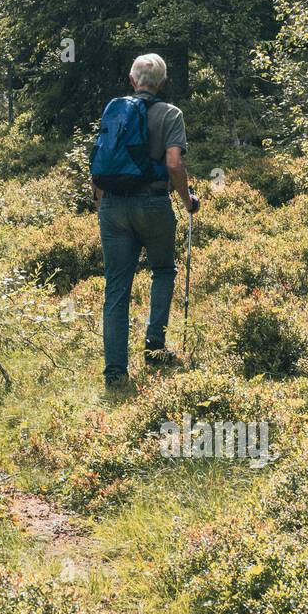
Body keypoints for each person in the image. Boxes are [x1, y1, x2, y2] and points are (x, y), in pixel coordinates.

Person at [90, 53, 200, 383]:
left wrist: (102, 208)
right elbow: (174, 165)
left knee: (116, 289)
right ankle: (154, 348)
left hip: (113, 206)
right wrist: (187, 200)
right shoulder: (170, 114)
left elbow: (101, 160)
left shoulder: (115, 111)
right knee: (163, 270)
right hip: (152, 203)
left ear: (132, 80)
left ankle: (115, 372)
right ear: (162, 83)